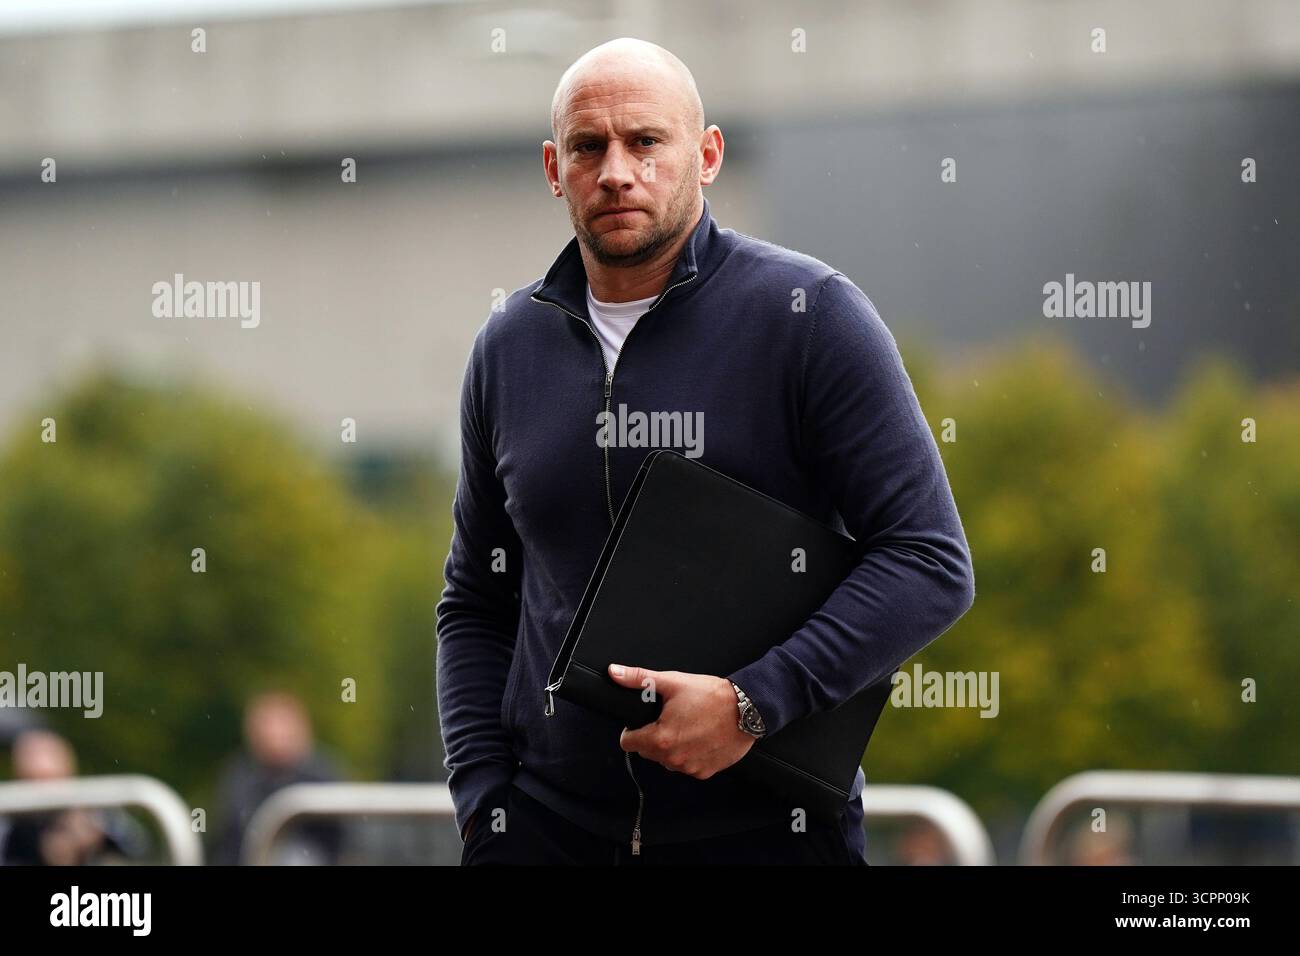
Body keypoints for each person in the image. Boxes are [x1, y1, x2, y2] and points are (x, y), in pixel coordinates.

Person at [436, 37, 975, 865]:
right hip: (550, 831)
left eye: (645, 141)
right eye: (589, 146)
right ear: (555, 167)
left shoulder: (810, 316)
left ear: (707, 154)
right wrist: (483, 808)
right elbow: (475, 600)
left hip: (773, 830)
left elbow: (929, 561)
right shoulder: (508, 348)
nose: (617, 169)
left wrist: (751, 703)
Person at [211, 692, 344, 865]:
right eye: (269, 727)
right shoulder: (240, 778)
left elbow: (344, 840)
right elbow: (227, 840)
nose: (276, 736)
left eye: (282, 726)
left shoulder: (322, 775)